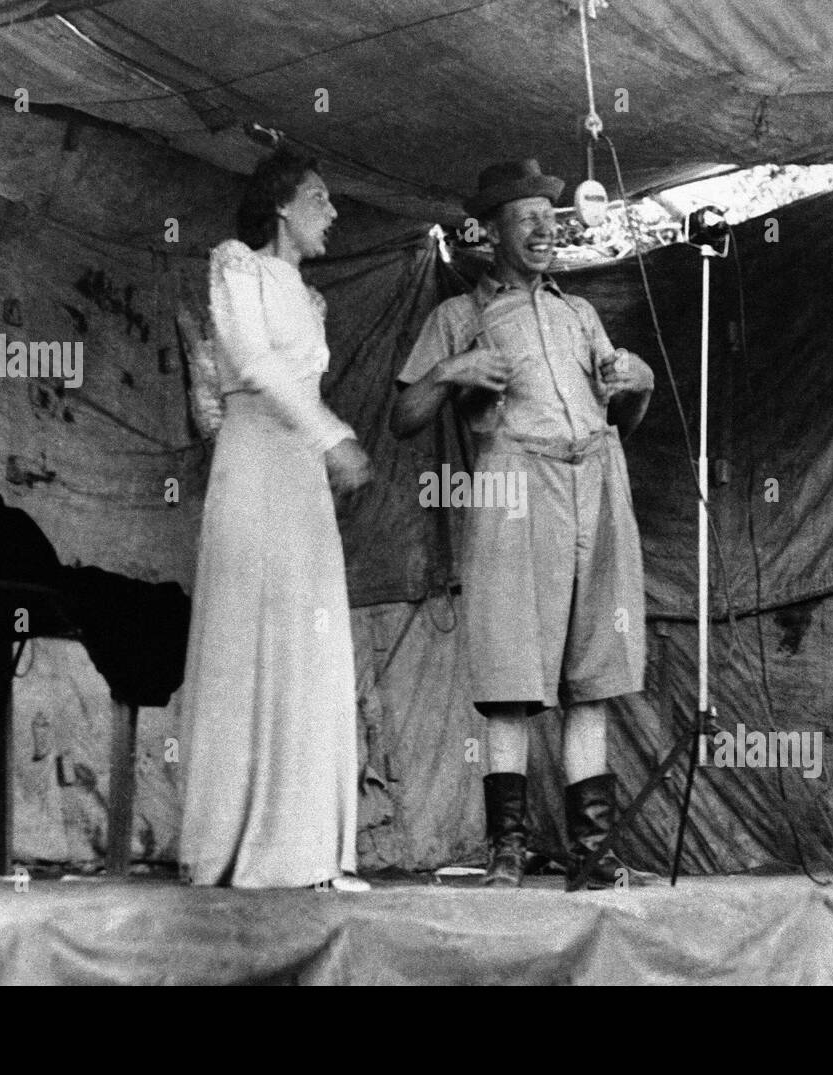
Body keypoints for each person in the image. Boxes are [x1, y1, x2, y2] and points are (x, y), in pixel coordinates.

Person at [390, 159, 655, 888]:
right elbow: (402, 417)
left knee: (593, 673)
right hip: (514, 483)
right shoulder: (459, 317)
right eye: (528, 218)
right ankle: (507, 847)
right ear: (492, 231)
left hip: (597, 478)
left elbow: (621, 418)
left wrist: (639, 387)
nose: (545, 230)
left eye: (551, 216)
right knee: (511, 675)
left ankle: (592, 854)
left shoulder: (580, 314)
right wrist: (451, 372)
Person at [179, 147, 372, 891]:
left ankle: (308, 848)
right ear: (283, 204)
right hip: (256, 456)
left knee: (310, 637)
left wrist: (322, 446)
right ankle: (238, 841)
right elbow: (253, 362)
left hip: (301, 476)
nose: (333, 212)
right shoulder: (237, 265)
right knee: (246, 635)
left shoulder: (310, 296)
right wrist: (334, 436)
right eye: (320, 197)